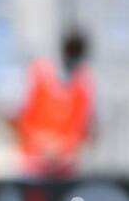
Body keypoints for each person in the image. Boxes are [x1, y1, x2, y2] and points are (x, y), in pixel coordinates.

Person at [12, 28, 94, 179]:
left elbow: (90, 127)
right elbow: (13, 116)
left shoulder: (85, 83)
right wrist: (42, 145)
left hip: (67, 169)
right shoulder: (35, 74)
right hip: (32, 167)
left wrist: (64, 150)